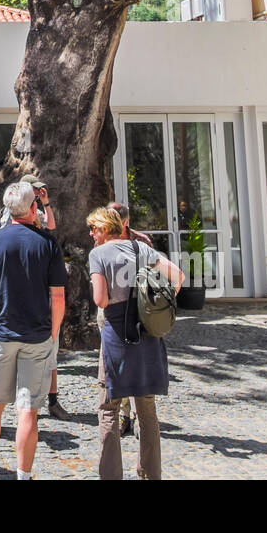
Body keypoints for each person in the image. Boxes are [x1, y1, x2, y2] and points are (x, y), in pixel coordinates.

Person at [0, 180, 66, 480]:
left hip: (2, 333)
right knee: (28, 411)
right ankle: (23, 475)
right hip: (37, 335)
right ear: (32, 207)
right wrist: (52, 333)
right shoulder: (47, 244)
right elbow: (58, 297)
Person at [86, 206, 185, 480]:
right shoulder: (143, 250)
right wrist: (156, 303)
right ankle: (150, 473)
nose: (91, 234)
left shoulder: (99, 255)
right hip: (147, 335)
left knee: (108, 409)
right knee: (147, 409)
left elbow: (100, 300)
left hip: (117, 335)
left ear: (105, 229)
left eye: (94, 228)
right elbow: (178, 278)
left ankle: (111, 476)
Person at [19, 173, 71, 421]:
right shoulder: (15, 216)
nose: (38, 195)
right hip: (28, 294)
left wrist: (46, 203)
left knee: (52, 349)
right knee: (26, 352)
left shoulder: (39, 214)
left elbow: (51, 226)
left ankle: (52, 400)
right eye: (35, 192)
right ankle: (29, 402)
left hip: (46, 292)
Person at [104, 200, 152, 436]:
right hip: (112, 315)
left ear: (126, 221)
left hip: (137, 314)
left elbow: (157, 279)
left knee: (137, 364)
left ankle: (138, 417)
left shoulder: (140, 242)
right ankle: (124, 416)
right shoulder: (102, 241)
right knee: (116, 367)